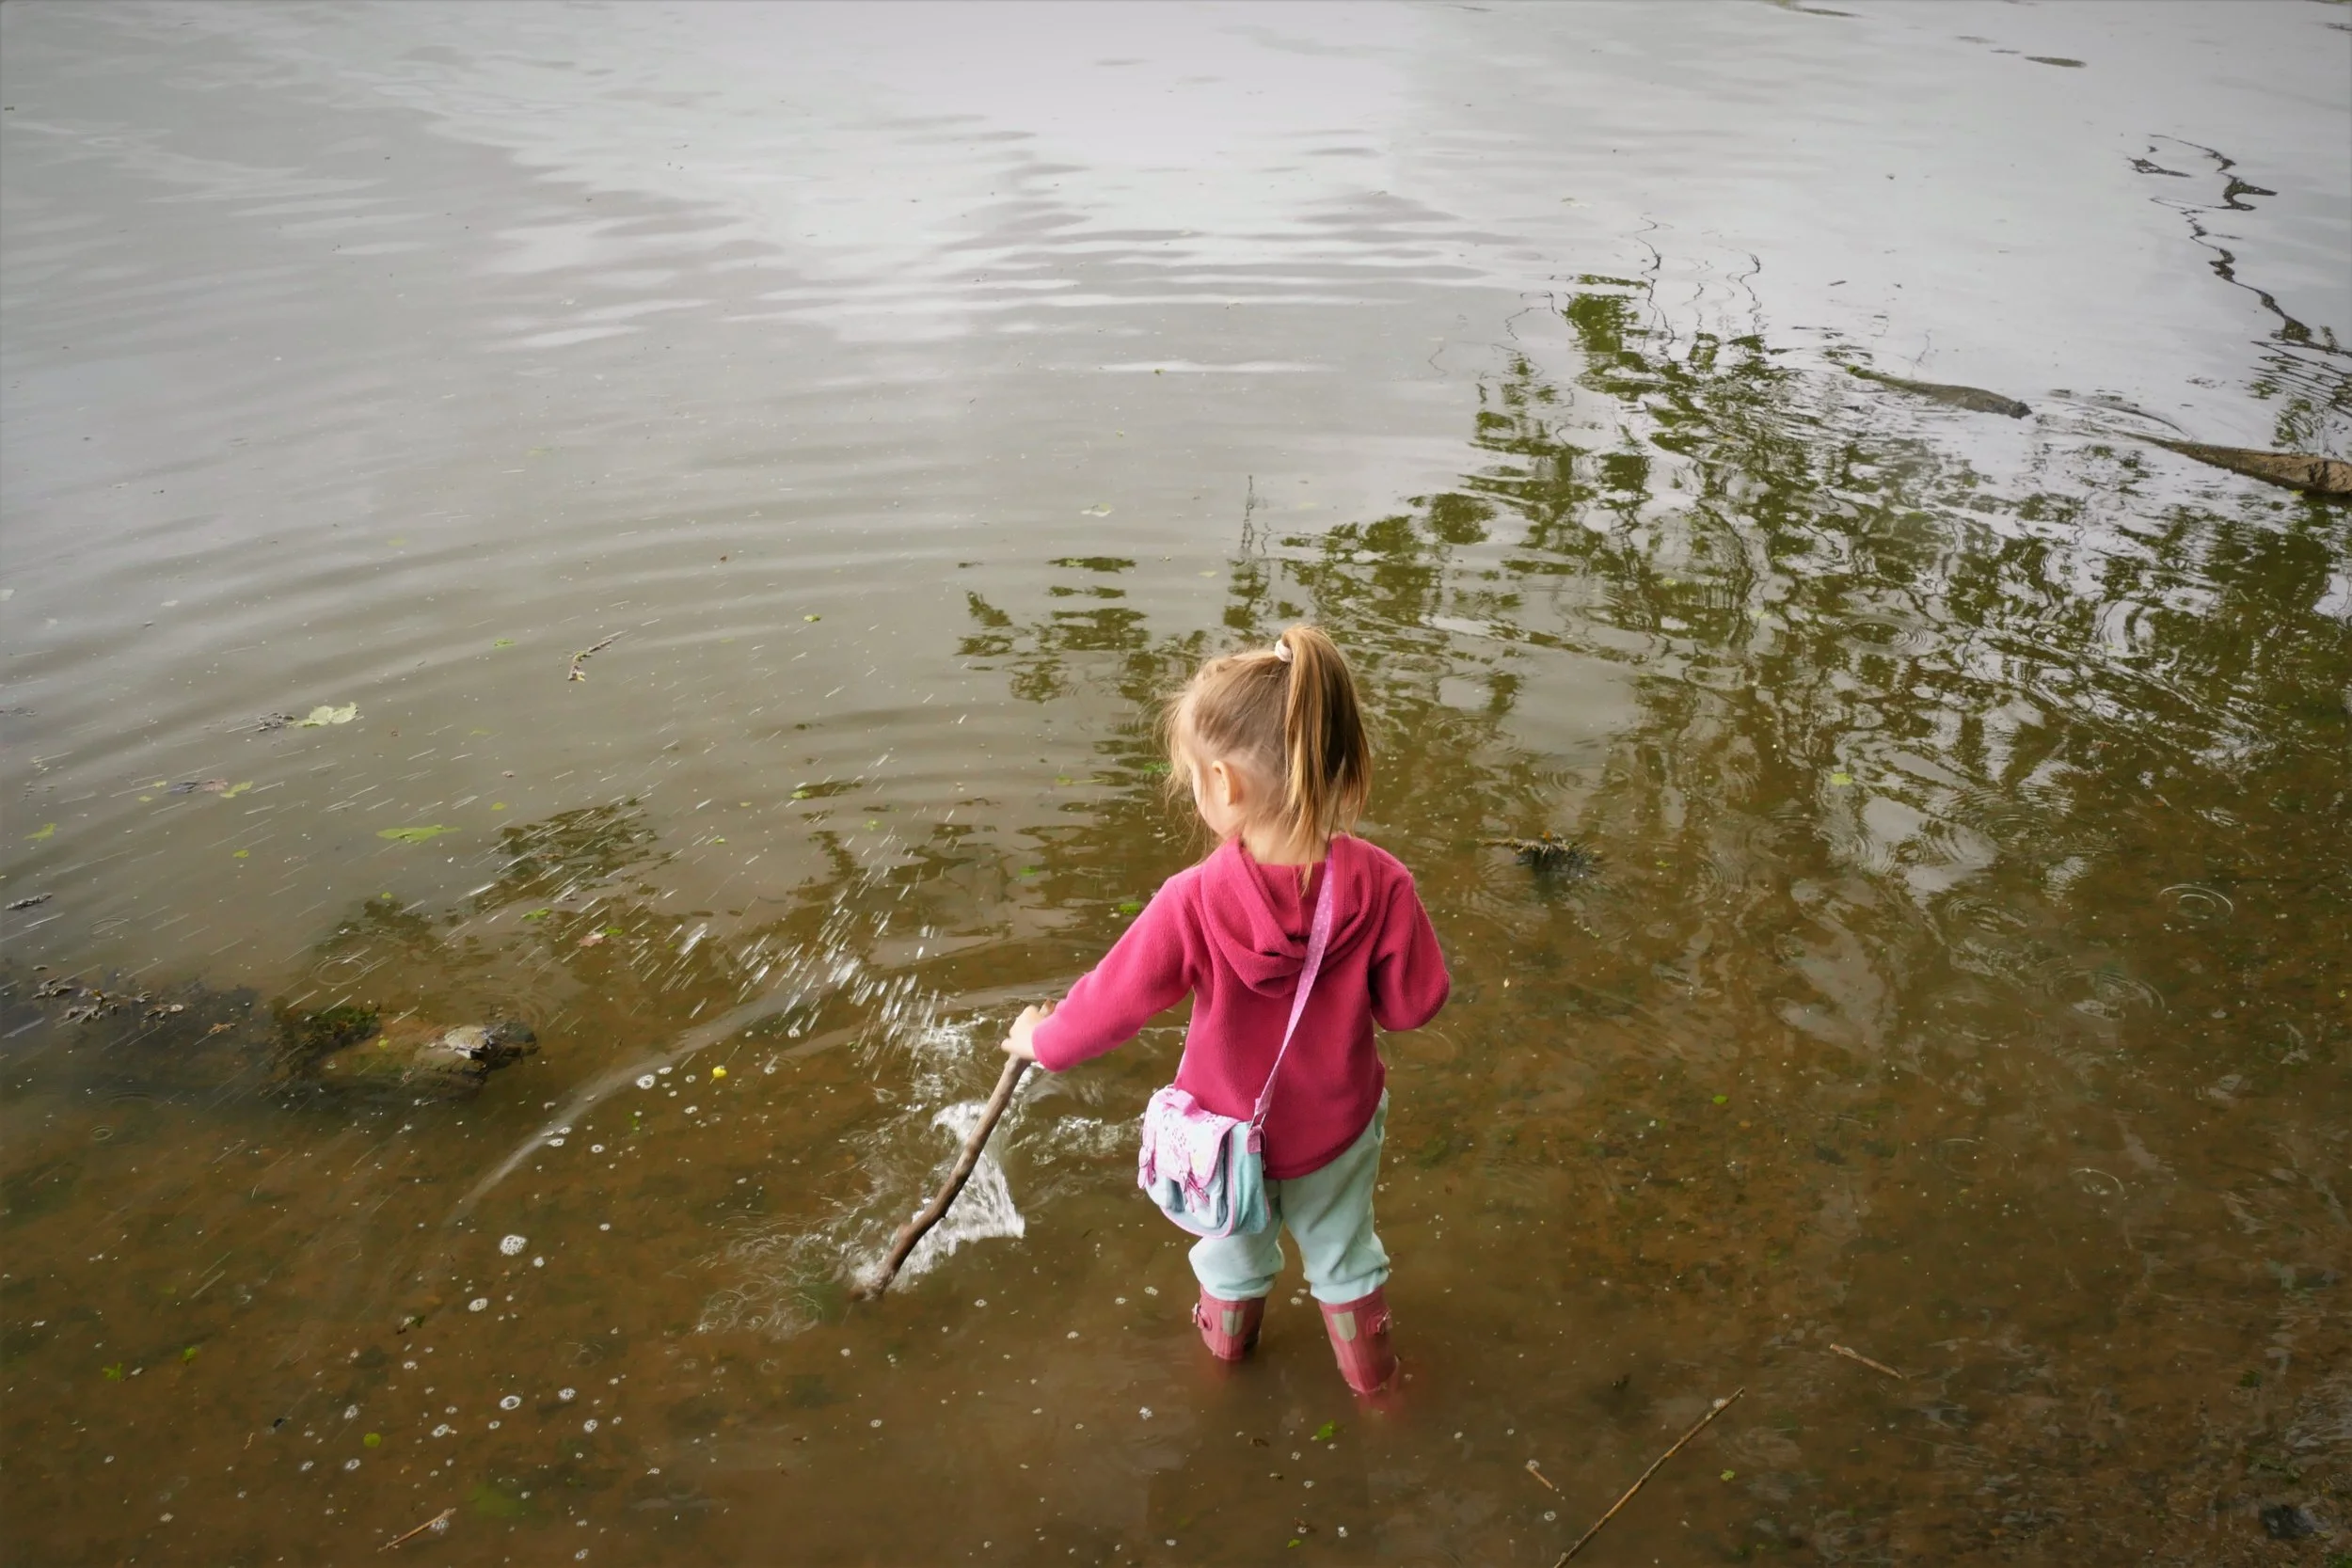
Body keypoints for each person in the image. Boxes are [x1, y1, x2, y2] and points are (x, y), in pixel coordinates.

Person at [1000, 625, 1450, 1394]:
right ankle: (1379, 1393)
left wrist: (1040, 1040)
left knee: (1231, 1258)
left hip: (1223, 1141)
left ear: (1225, 783)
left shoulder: (1194, 900)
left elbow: (1109, 1008)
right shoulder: (1382, 883)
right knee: (1345, 1258)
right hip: (1338, 1130)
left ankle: (1225, 1380)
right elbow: (1411, 1009)